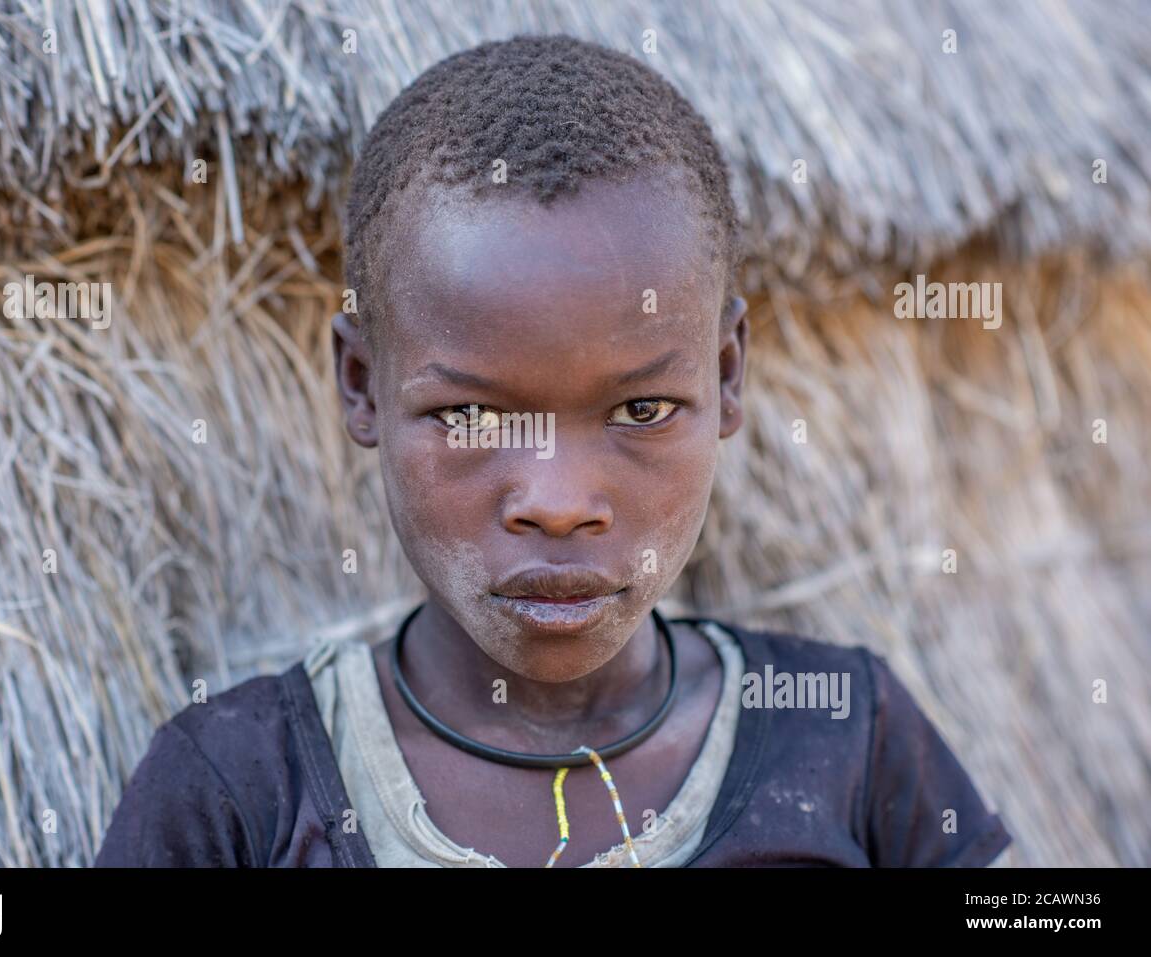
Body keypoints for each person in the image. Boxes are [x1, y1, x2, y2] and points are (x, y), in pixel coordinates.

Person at [95, 33, 1011, 868]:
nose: (561, 499)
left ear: (727, 376)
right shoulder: (237, 793)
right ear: (363, 385)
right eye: (472, 417)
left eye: (643, 407)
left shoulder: (849, 738)